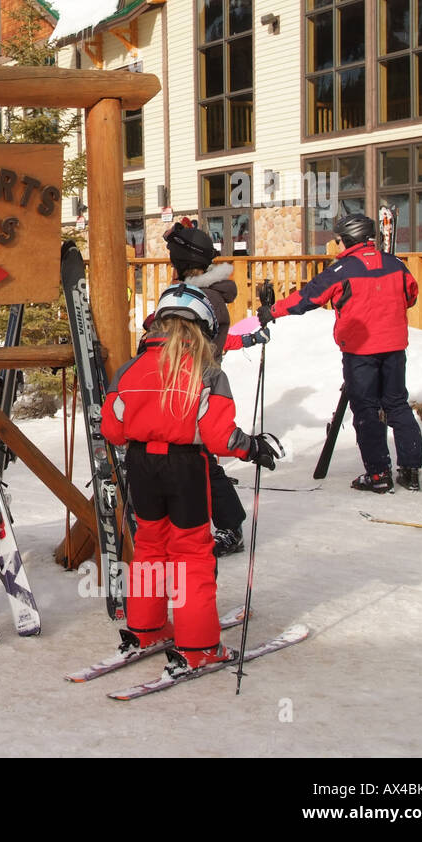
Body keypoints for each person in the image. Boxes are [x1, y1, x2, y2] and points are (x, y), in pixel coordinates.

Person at [101, 285, 282, 675]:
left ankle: (146, 627)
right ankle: (199, 645)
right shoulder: (206, 373)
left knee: (149, 545)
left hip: (140, 466)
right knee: (192, 555)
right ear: (200, 329)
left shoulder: (128, 370)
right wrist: (252, 447)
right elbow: (218, 435)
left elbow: (112, 429)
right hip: (186, 467)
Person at [263, 212, 422, 492]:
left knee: (366, 409)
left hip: (361, 351)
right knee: (397, 404)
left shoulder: (343, 270)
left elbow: (308, 298)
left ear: (349, 238)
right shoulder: (396, 264)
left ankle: (378, 474)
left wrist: (272, 310)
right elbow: (410, 295)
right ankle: (410, 470)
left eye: (338, 240)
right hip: (395, 347)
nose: (337, 246)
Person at [158, 220, 270, 557]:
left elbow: (203, 347)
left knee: (202, 457)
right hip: (186, 383)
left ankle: (230, 526)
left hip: (193, 386)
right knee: (196, 458)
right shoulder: (202, 295)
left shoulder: (200, 298)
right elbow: (219, 341)